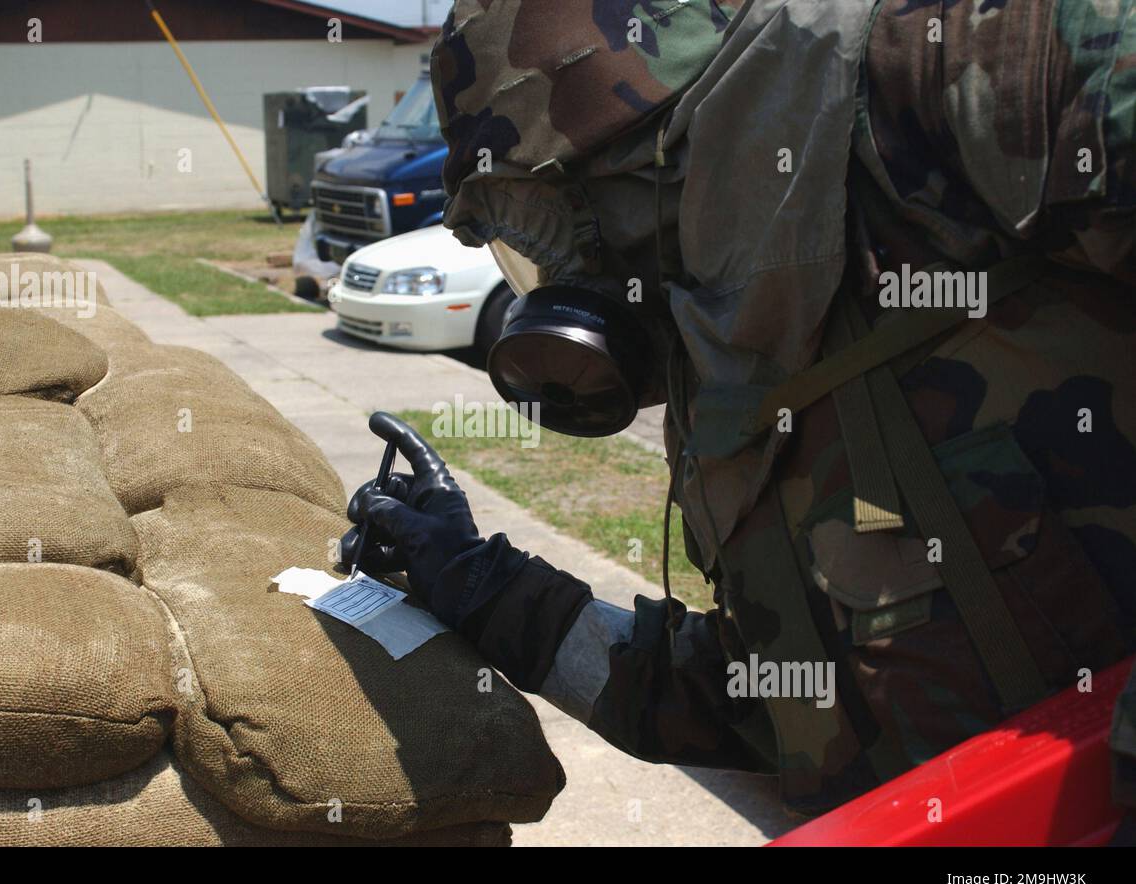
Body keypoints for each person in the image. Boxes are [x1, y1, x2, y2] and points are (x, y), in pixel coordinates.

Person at [341, 0, 1136, 814]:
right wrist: (490, 593)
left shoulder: (952, 65)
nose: (559, 293)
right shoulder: (724, 369)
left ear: (647, 159)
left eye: (542, 236)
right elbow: (765, 702)